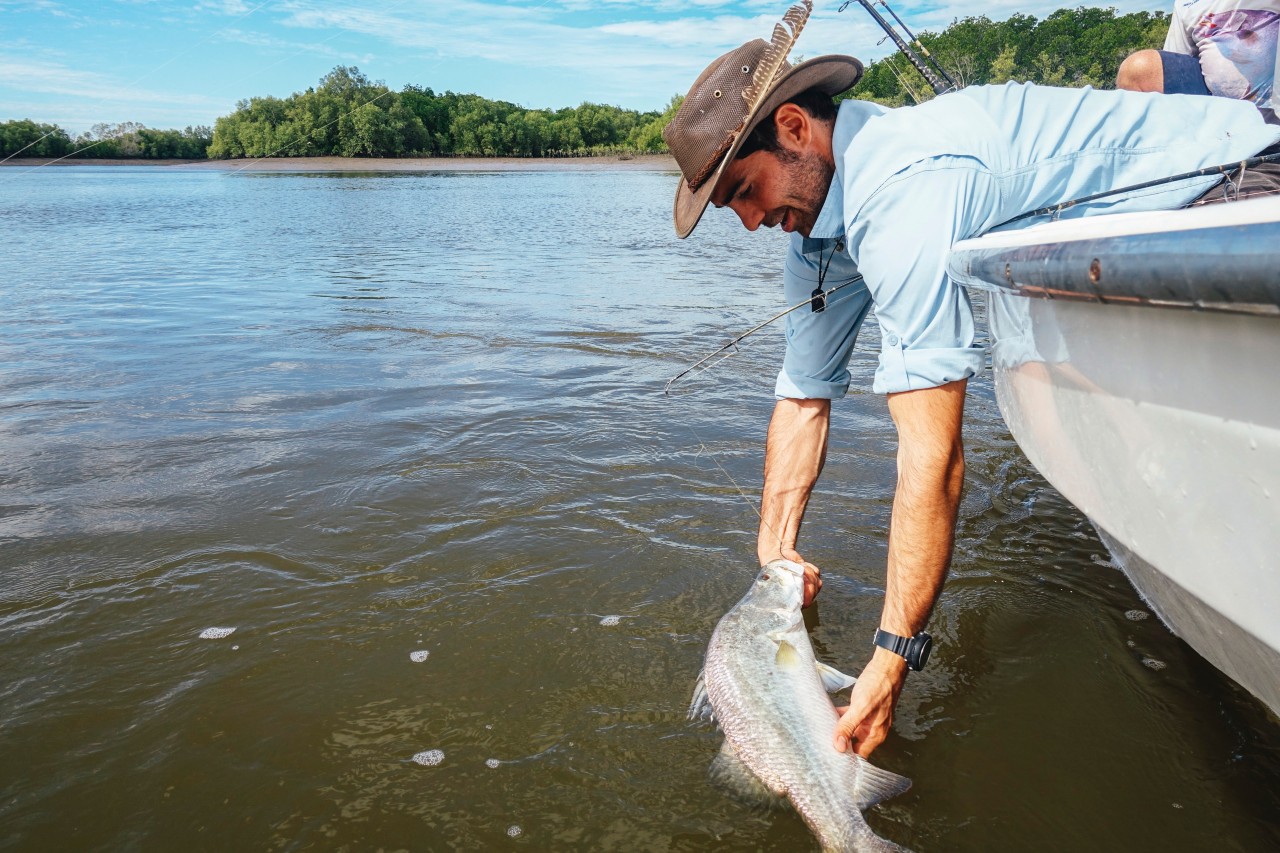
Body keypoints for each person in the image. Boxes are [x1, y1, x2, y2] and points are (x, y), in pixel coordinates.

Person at [663, 0, 1280, 759]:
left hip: (1234, 179)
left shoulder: (900, 190)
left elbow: (935, 456)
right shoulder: (815, 228)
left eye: (744, 192)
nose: (751, 222)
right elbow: (802, 395)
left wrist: (892, 659)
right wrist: (774, 557)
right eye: (730, 208)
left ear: (794, 128)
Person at [1116, 0, 1279, 123]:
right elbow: (1176, 59)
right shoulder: (1185, 3)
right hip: (1222, 112)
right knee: (1138, 69)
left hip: (1274, 106)